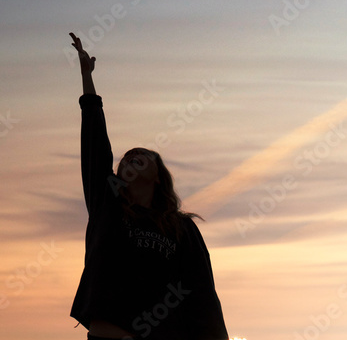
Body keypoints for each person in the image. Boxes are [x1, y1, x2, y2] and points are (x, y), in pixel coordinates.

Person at [68, 32, 229, 340]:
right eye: (127, 159)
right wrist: (87, 82)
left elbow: (203, 297)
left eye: (142, 157)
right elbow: (95, 146)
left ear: (157, 176)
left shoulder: (181, 229)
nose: (132, 158)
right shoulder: (108, 206)